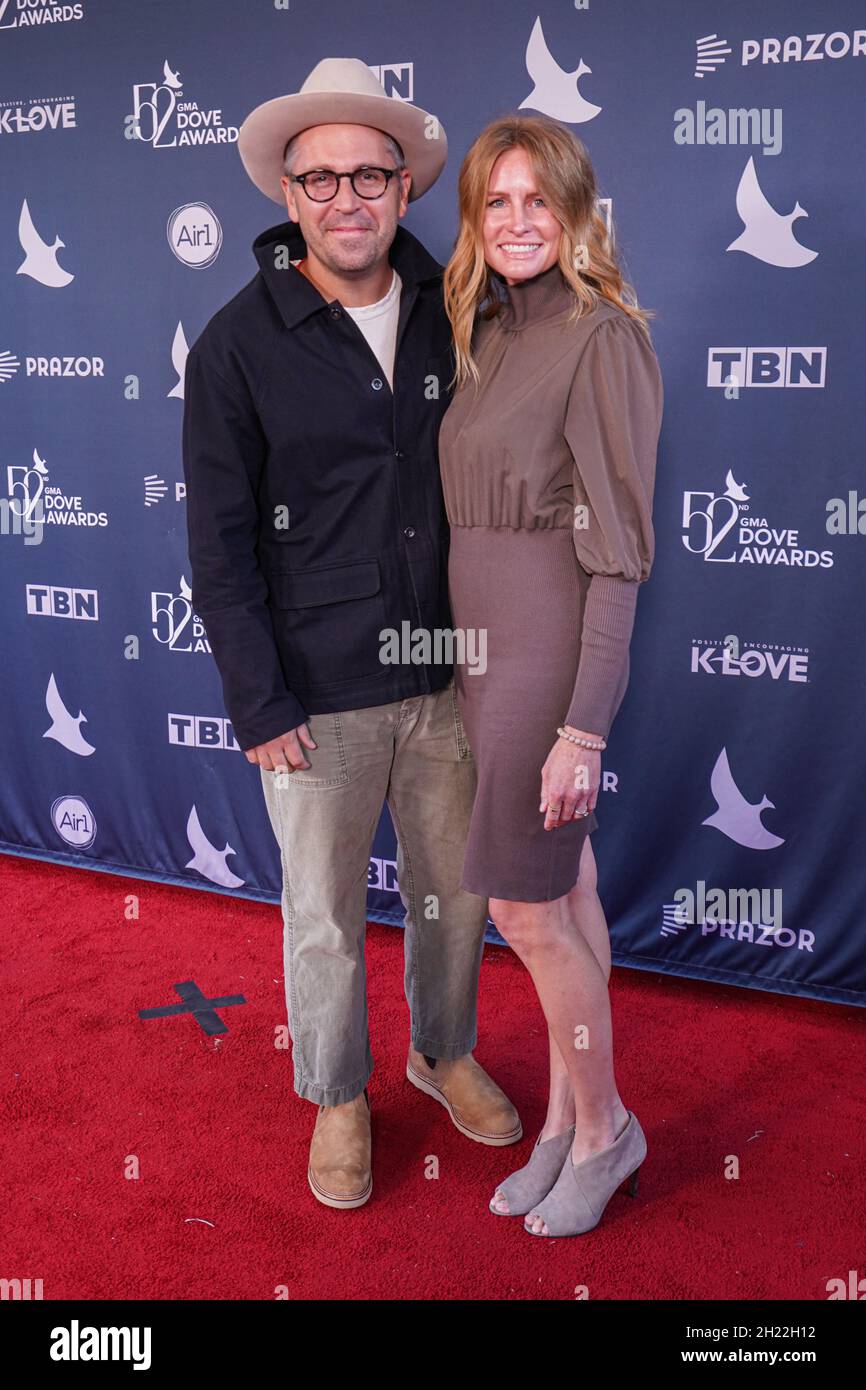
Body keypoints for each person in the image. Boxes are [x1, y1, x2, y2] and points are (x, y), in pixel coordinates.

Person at [182, 59, 521, 1213]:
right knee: (322, 914)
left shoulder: (458, 303)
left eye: (368, 174)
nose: (345, 198)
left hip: (448, 678)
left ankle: (441, 1050)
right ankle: (336, 1093)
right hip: (315, 692)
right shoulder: (235, 343)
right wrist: (257, 701)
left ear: (404, 186)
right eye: (319, 177)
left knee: (452, 898)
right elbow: (219, 541)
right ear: (287, 196)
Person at [438, 113, 664, 1237]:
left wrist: (583, 728)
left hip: (542, 658)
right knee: (567, 893)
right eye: (496, 202)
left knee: (525, 908)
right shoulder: (482, 331)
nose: (517, 222)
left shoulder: (599, 335)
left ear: (576, 214)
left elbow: (617, 554)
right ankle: (568, 1122)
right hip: (476, 657)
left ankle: (606, 1126)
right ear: (474, 219)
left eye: (540, 200)